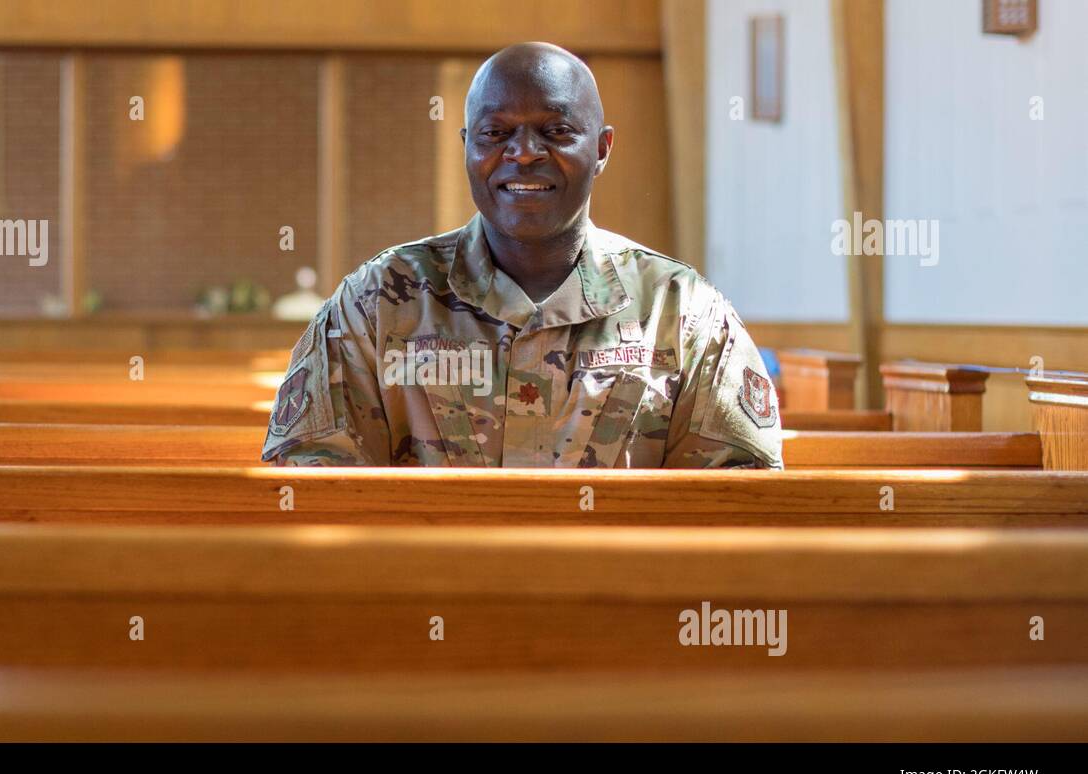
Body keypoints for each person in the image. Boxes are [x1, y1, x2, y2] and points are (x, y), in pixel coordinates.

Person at [262, 42, 782, 469]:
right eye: (496, 133)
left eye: (556, 132)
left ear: (601, 149)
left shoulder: (683, 313)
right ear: (467, 146)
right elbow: (310, 493)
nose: (525, 152)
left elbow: (738, 506)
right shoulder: (375, 303)